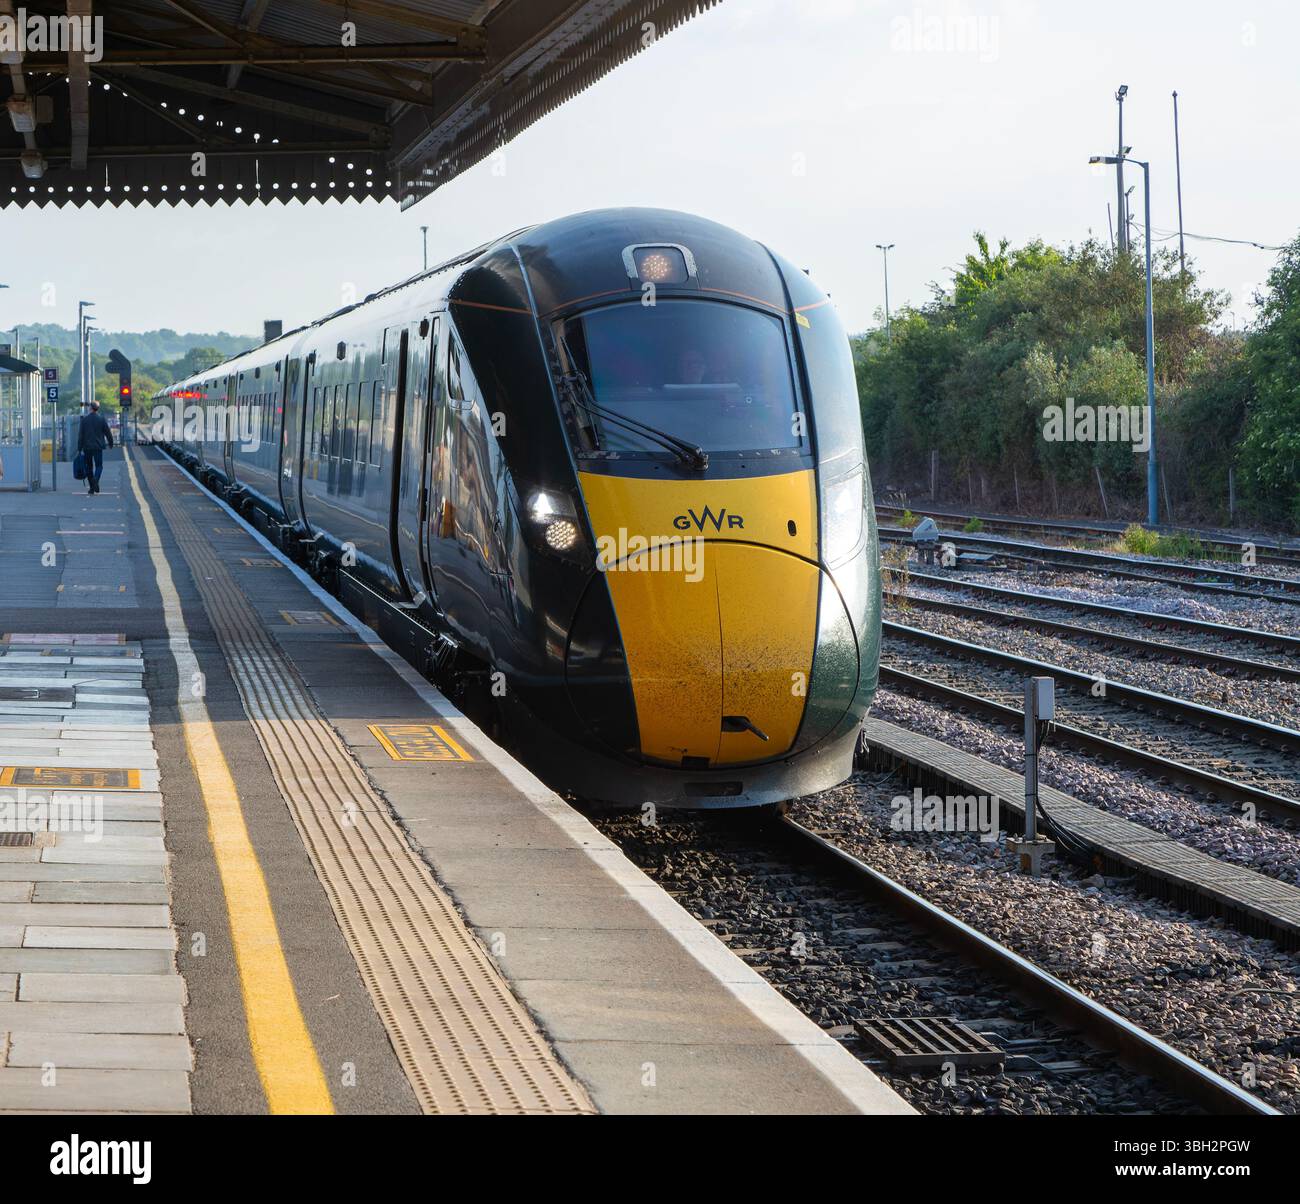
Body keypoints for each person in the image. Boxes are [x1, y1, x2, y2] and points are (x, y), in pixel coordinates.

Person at [78, 400, 114, 495]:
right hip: (98, 447)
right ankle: (96, 480)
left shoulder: (84, 420)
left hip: (87, 447)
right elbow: (108, 433)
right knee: (99, 466)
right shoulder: (101, 419)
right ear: (97, 408)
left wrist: (79, 447)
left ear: (90, 408)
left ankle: (91, 488)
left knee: (89, 467)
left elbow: (81, 435)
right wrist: (111, 443)